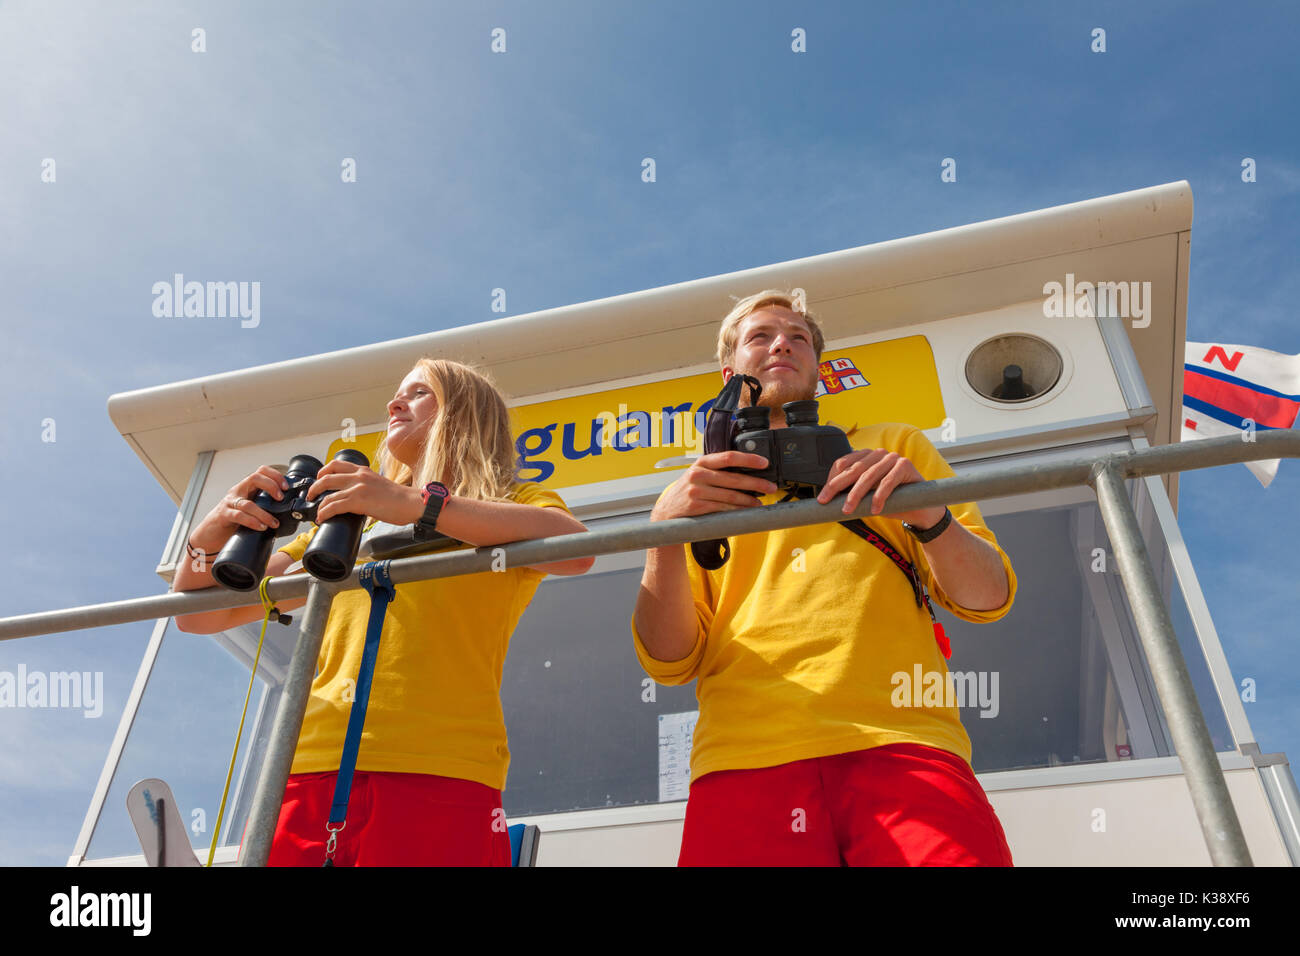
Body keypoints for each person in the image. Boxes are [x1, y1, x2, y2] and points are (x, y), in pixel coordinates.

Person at [632, 290, 1018, 866]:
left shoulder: (894, 448)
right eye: (759, 336)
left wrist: (927, 511)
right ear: (729, 371)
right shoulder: (699, 491)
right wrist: (662, 533)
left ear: (819, 368)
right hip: (743, 756)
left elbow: (989, 597)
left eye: (798, 337)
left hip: (903, 743)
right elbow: (669, 661)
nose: (781, 342)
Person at [173, 358, 593, 865]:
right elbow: (199, 616)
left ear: (464, 414)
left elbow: (575, 549)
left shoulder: (509, 502)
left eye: (419, 393)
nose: (395, 404)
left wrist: (419, 505)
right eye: (397, 394)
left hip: (441, 767)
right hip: (307, 764)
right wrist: (210, 534)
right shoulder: (344, 526)